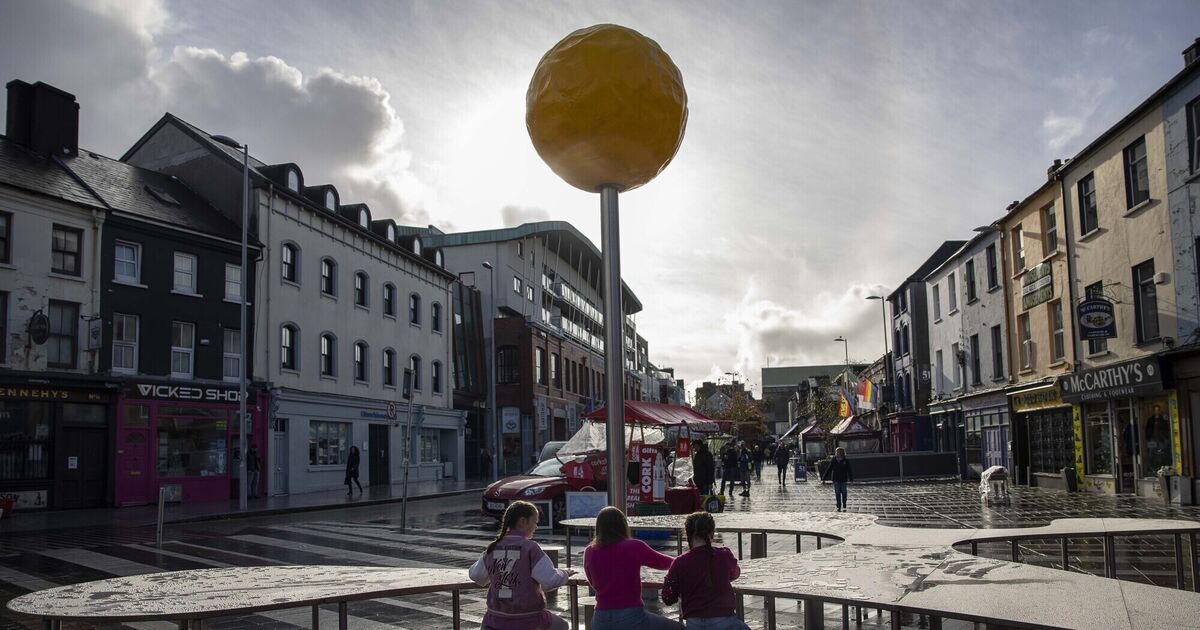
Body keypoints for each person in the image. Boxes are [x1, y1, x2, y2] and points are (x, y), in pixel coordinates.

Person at [469, 501, 573, 630]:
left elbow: (476, 575)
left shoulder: (493, 548)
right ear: (523, 521)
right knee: (563, 625)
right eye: (535, 522)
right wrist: (565, 573)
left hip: (495, 619)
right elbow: (550, 580)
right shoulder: (530, 548)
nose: (536, 527)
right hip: (528, 619)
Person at [584, 507, 682, 630]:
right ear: (623, 525)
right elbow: (664, 563)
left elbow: (592, 582)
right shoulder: (634, 546)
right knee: (677, 628)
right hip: (631, 617)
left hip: (600, 618)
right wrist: (687, 561)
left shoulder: (590, 551)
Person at [661, 512, 749, 630]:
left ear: (688, 535)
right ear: (712, 533)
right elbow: (735, 573)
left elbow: (668, 597)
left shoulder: (680, 562)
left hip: (694, 623)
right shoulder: (723, 555)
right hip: (724, 621)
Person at [821, 447, 853, 512]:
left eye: (838, 452)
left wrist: (851, 478)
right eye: (836, 452)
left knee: (844, 492)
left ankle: (844, 503)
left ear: (842, 453)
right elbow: (829, 469)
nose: (837, 453)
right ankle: (839, 505)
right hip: (836, 479)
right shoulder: (834, 460)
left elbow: (849, 470)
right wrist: (824, 478)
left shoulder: (845, 460)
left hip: (843, 479)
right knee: (837, 492)